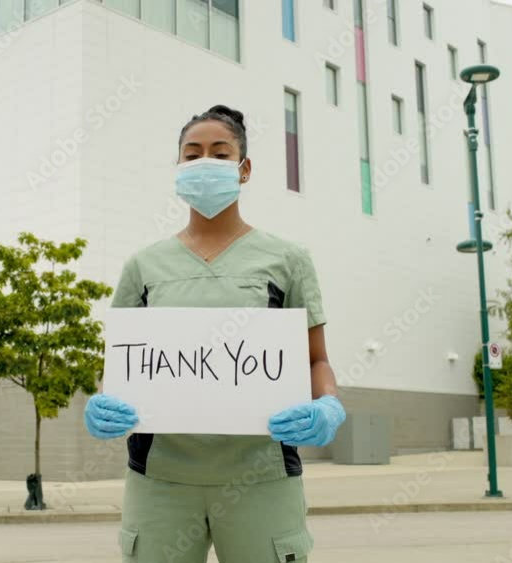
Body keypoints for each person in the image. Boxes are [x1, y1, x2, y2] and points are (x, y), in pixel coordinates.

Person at [84, 104, 346, 563]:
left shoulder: (288, 260)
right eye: (193, 154)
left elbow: (315, 359)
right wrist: (102, 399)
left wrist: (328, 406)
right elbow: (119, 365)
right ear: (178, 168)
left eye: (220, 154)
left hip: (261, 476)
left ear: (243, 169)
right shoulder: (143, 267)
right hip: (160, 479)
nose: (205, 162)